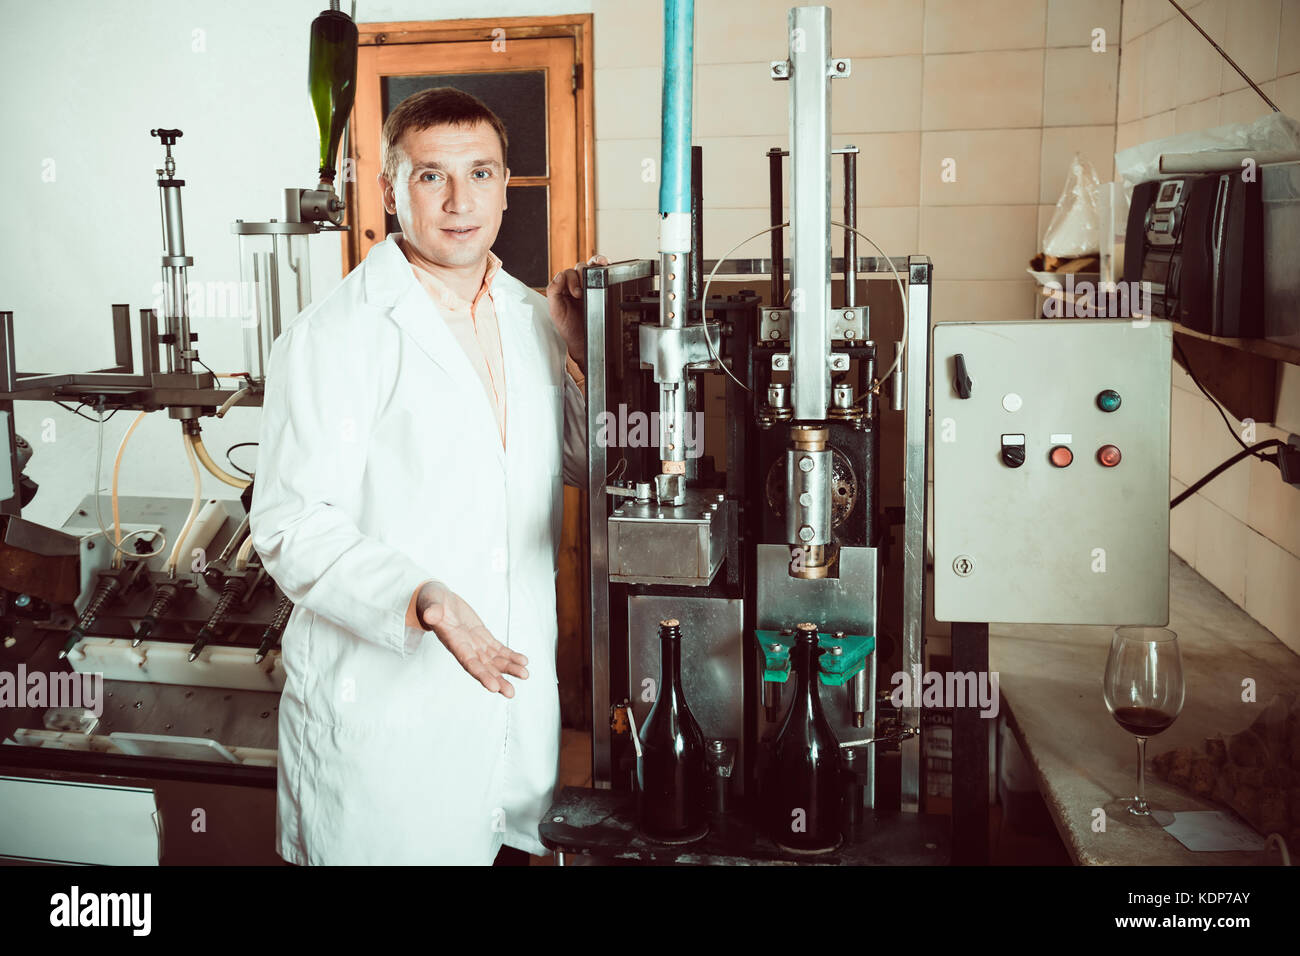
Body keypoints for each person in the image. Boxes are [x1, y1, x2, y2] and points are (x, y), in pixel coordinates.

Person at [249, 86, 603, 865]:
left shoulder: (530, 318)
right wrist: (424, 597)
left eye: (480, 174)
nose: (459, 200)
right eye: (431, 176)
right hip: (386, 737)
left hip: (512, 728)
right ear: (390, 190)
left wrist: (585, 358)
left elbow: (579, 465)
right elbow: (291, 524)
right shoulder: (335, 336)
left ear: (506, 187)